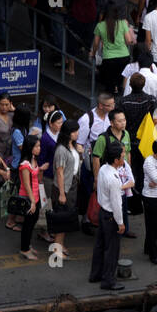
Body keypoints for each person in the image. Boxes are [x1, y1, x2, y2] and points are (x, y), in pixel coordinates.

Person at [89, 141, 128, 290]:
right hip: (111, 216)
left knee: (99, 245)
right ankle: (108, 280)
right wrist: (120, 223)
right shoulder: (113, 178)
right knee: (112, 250)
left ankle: (96, 274)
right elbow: (117, 204)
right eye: (122, 156)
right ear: (116, 160)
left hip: (102, 213)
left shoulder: (103, 169)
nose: (124, 158)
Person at [91, 107, 136, 238]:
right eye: (120, 121)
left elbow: (128, 153)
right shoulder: (103, 138)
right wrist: (96, 178)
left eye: (124, 120)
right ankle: (114, 229)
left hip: (123, 176)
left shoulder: (126, 134)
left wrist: (129, 171)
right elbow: (96, 158)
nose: (123, 123)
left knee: (123, 203)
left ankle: (125, 228)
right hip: (111, 176)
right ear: (111, 123)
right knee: (112, 203)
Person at [76, 92, 114, 230]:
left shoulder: (110, 117)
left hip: (107, 161)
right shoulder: (87, 120)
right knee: (89, 189)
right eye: (110, 105)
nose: (113, 107)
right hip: (91, 162)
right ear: (101, 105)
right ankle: (86, 219)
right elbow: (79, 143)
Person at [64, 0, 102, 77]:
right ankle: (94, 66)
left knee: (72, 41)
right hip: (91, 15)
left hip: (76, 15)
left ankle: (71, 68)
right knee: (90, 42)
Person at [51, 119, 83, 260]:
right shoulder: (61, 150)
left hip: (72, 185)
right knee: (62, 219)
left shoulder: (73, 146)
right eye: (75, 131)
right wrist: (62, 193)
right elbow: (60, 173)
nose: (77, 133)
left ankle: (60, 244)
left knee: (66, 217)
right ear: (68, 133)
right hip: (63, 188)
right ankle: (56, 249)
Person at [91, 0, 136, 96]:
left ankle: (110, 103)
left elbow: (95, 44)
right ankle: (120, 101)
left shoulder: (100, 25)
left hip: (108, 59)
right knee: (121, 83)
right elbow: (129, 41)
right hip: (124, 57)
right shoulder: (123, 23)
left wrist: (93, 54)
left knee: (109, 85)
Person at [17, 134, 44, 260]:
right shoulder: (25, 164)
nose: (39, 148)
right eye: (37, 146)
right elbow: (26, 185)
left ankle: (28, 245)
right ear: (30, 147)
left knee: (32, 222)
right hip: (28, 198)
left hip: (35, 196)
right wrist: (32, 202)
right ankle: (24, 249)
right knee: (28, 224)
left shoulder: (34, 159)